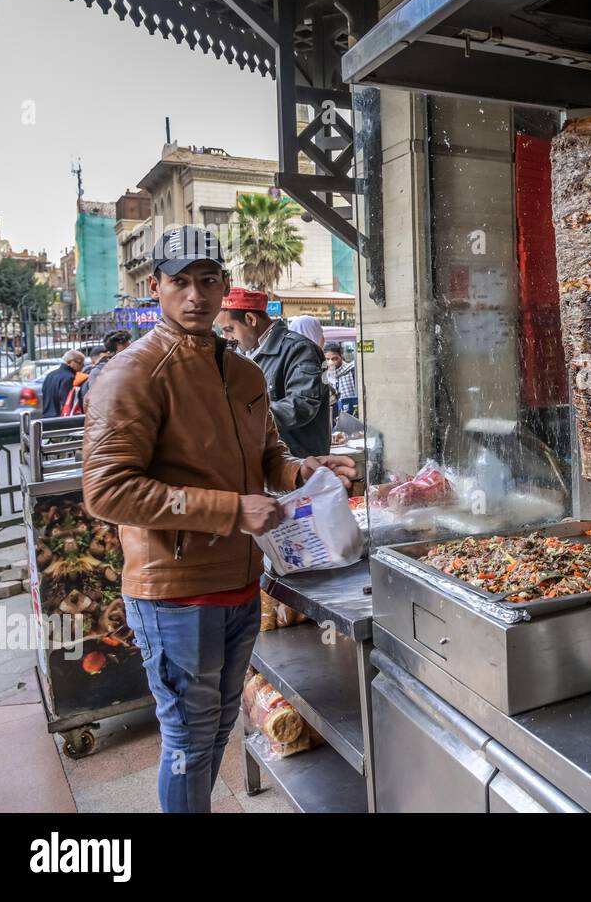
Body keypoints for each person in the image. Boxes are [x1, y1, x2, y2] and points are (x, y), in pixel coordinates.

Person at [81, 225, 355, 813]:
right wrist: (232, 510)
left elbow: (266, 457)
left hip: (239, 585)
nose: (195, 295)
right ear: (154, 287)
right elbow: (107, 490)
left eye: (208, 281)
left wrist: (300, 471)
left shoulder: (245, 373)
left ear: (225, 287)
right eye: (180, 281)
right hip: (175, 594)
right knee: (186, 737)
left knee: (216, 729)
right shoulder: (133, 374)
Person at [218, 290, 331, 458]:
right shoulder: (244, 354)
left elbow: (302, 405)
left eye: (229, 329)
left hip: (298, 461)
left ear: (250, 319)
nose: (227, 337)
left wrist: (243, 416)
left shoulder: (299, 349)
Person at [82, 330, 131, 400]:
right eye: (124, 351)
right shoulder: (99, 372)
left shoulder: (135, 367)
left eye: (131, 349)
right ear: (111, 353)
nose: (130, 353)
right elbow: (96, 400)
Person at [41, 349, 83, 419]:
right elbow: (67, 401)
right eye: (80, 362)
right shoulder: (70, 377)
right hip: (59, 418)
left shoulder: (50, 375)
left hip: (46, 416)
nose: (82, 366)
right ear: (69, 362)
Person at [323, 341, 358, 419]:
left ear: (341, 356)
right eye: (327, 359)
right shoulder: (323, 375)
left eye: (334, 358)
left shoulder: (352, 371)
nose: (330, 362)